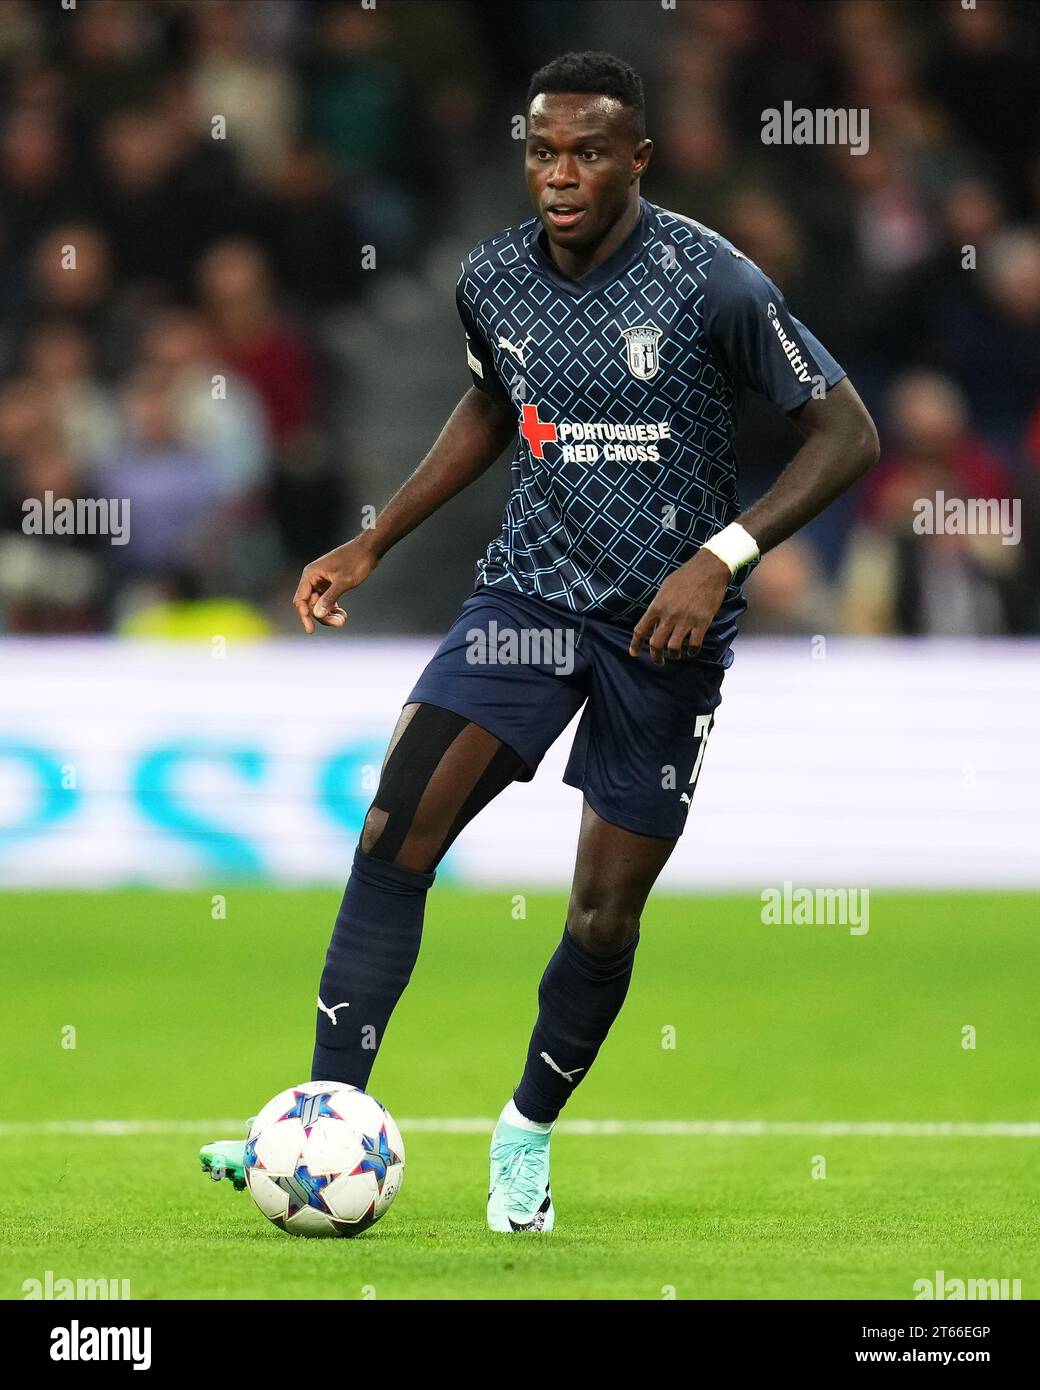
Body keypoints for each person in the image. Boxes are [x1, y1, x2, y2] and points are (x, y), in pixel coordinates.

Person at [201, 51, 878, 1234]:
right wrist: (375, 543)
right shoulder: (492, 279)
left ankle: (525, 1131)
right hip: (528, 599)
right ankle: (321, 1117)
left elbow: (846, 432)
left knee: (601, 916)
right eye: (541, 151)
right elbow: (491, 400)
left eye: (586, 153)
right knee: (390, 829)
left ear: (636, 160)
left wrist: (720, 554)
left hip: (666, 632)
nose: (558, 174)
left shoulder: (707, 281)